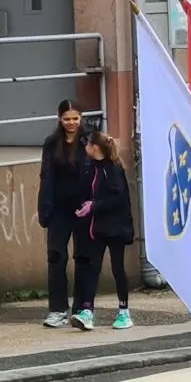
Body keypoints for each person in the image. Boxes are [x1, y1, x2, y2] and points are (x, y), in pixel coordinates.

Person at [70, 131, 134, 331]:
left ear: (94, 147)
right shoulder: (89, 168)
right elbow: (85, 192)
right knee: (92, 268)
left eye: (87, 144)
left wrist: (94, 206)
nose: (85, 147)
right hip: (95, 228)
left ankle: (124, 311)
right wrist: (84, 207)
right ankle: (87, 310)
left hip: (116, 228)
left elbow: (119, 198)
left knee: (117, 269)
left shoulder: (113, 169)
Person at [37, 102, 92, 327]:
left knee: (84, 259)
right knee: (56, 258)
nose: (71, 123)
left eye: (75, 118)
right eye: (67, 119)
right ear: (60, 119)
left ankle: (82, 309)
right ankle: (58, 309)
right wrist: (45, 209)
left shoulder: (89, 141)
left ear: (81, 118)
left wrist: (92, 203)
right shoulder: (52, 143)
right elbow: (46, 176)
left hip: (83, 208)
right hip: (59, 208)